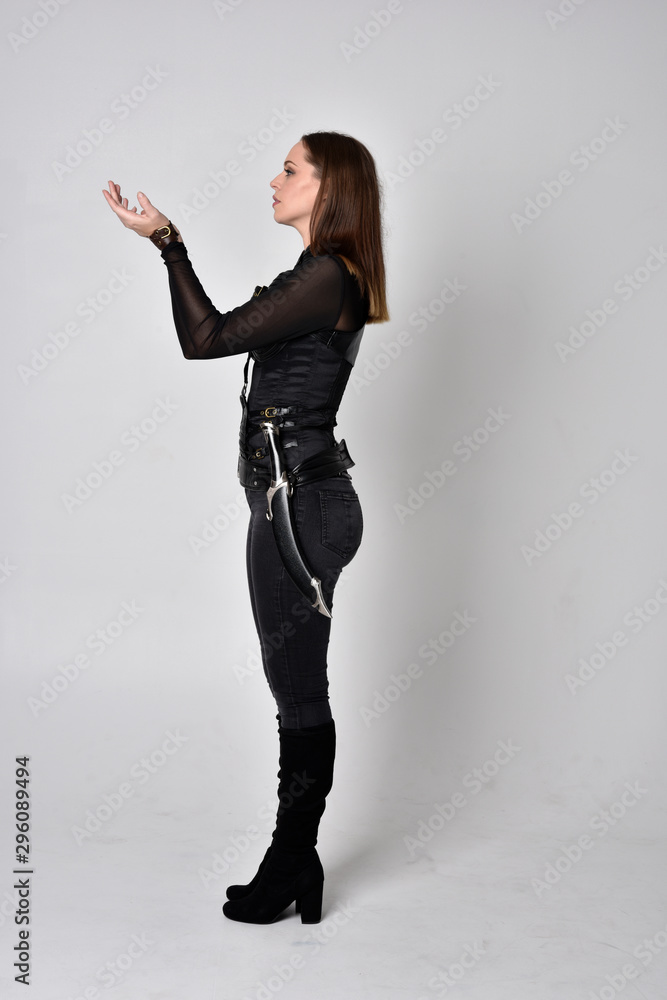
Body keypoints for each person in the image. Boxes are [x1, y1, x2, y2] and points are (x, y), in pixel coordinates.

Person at [102, 131, 388, 925]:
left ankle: (290, 861)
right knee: (292, 687)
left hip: (301, 507)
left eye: (290, 169)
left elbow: (206, 340)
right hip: (292, 502)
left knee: (298, 692)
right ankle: (295, 859)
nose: (273, 179)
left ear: (329, 189)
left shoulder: (327, 274)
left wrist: (168, 242)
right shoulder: (322, 274)